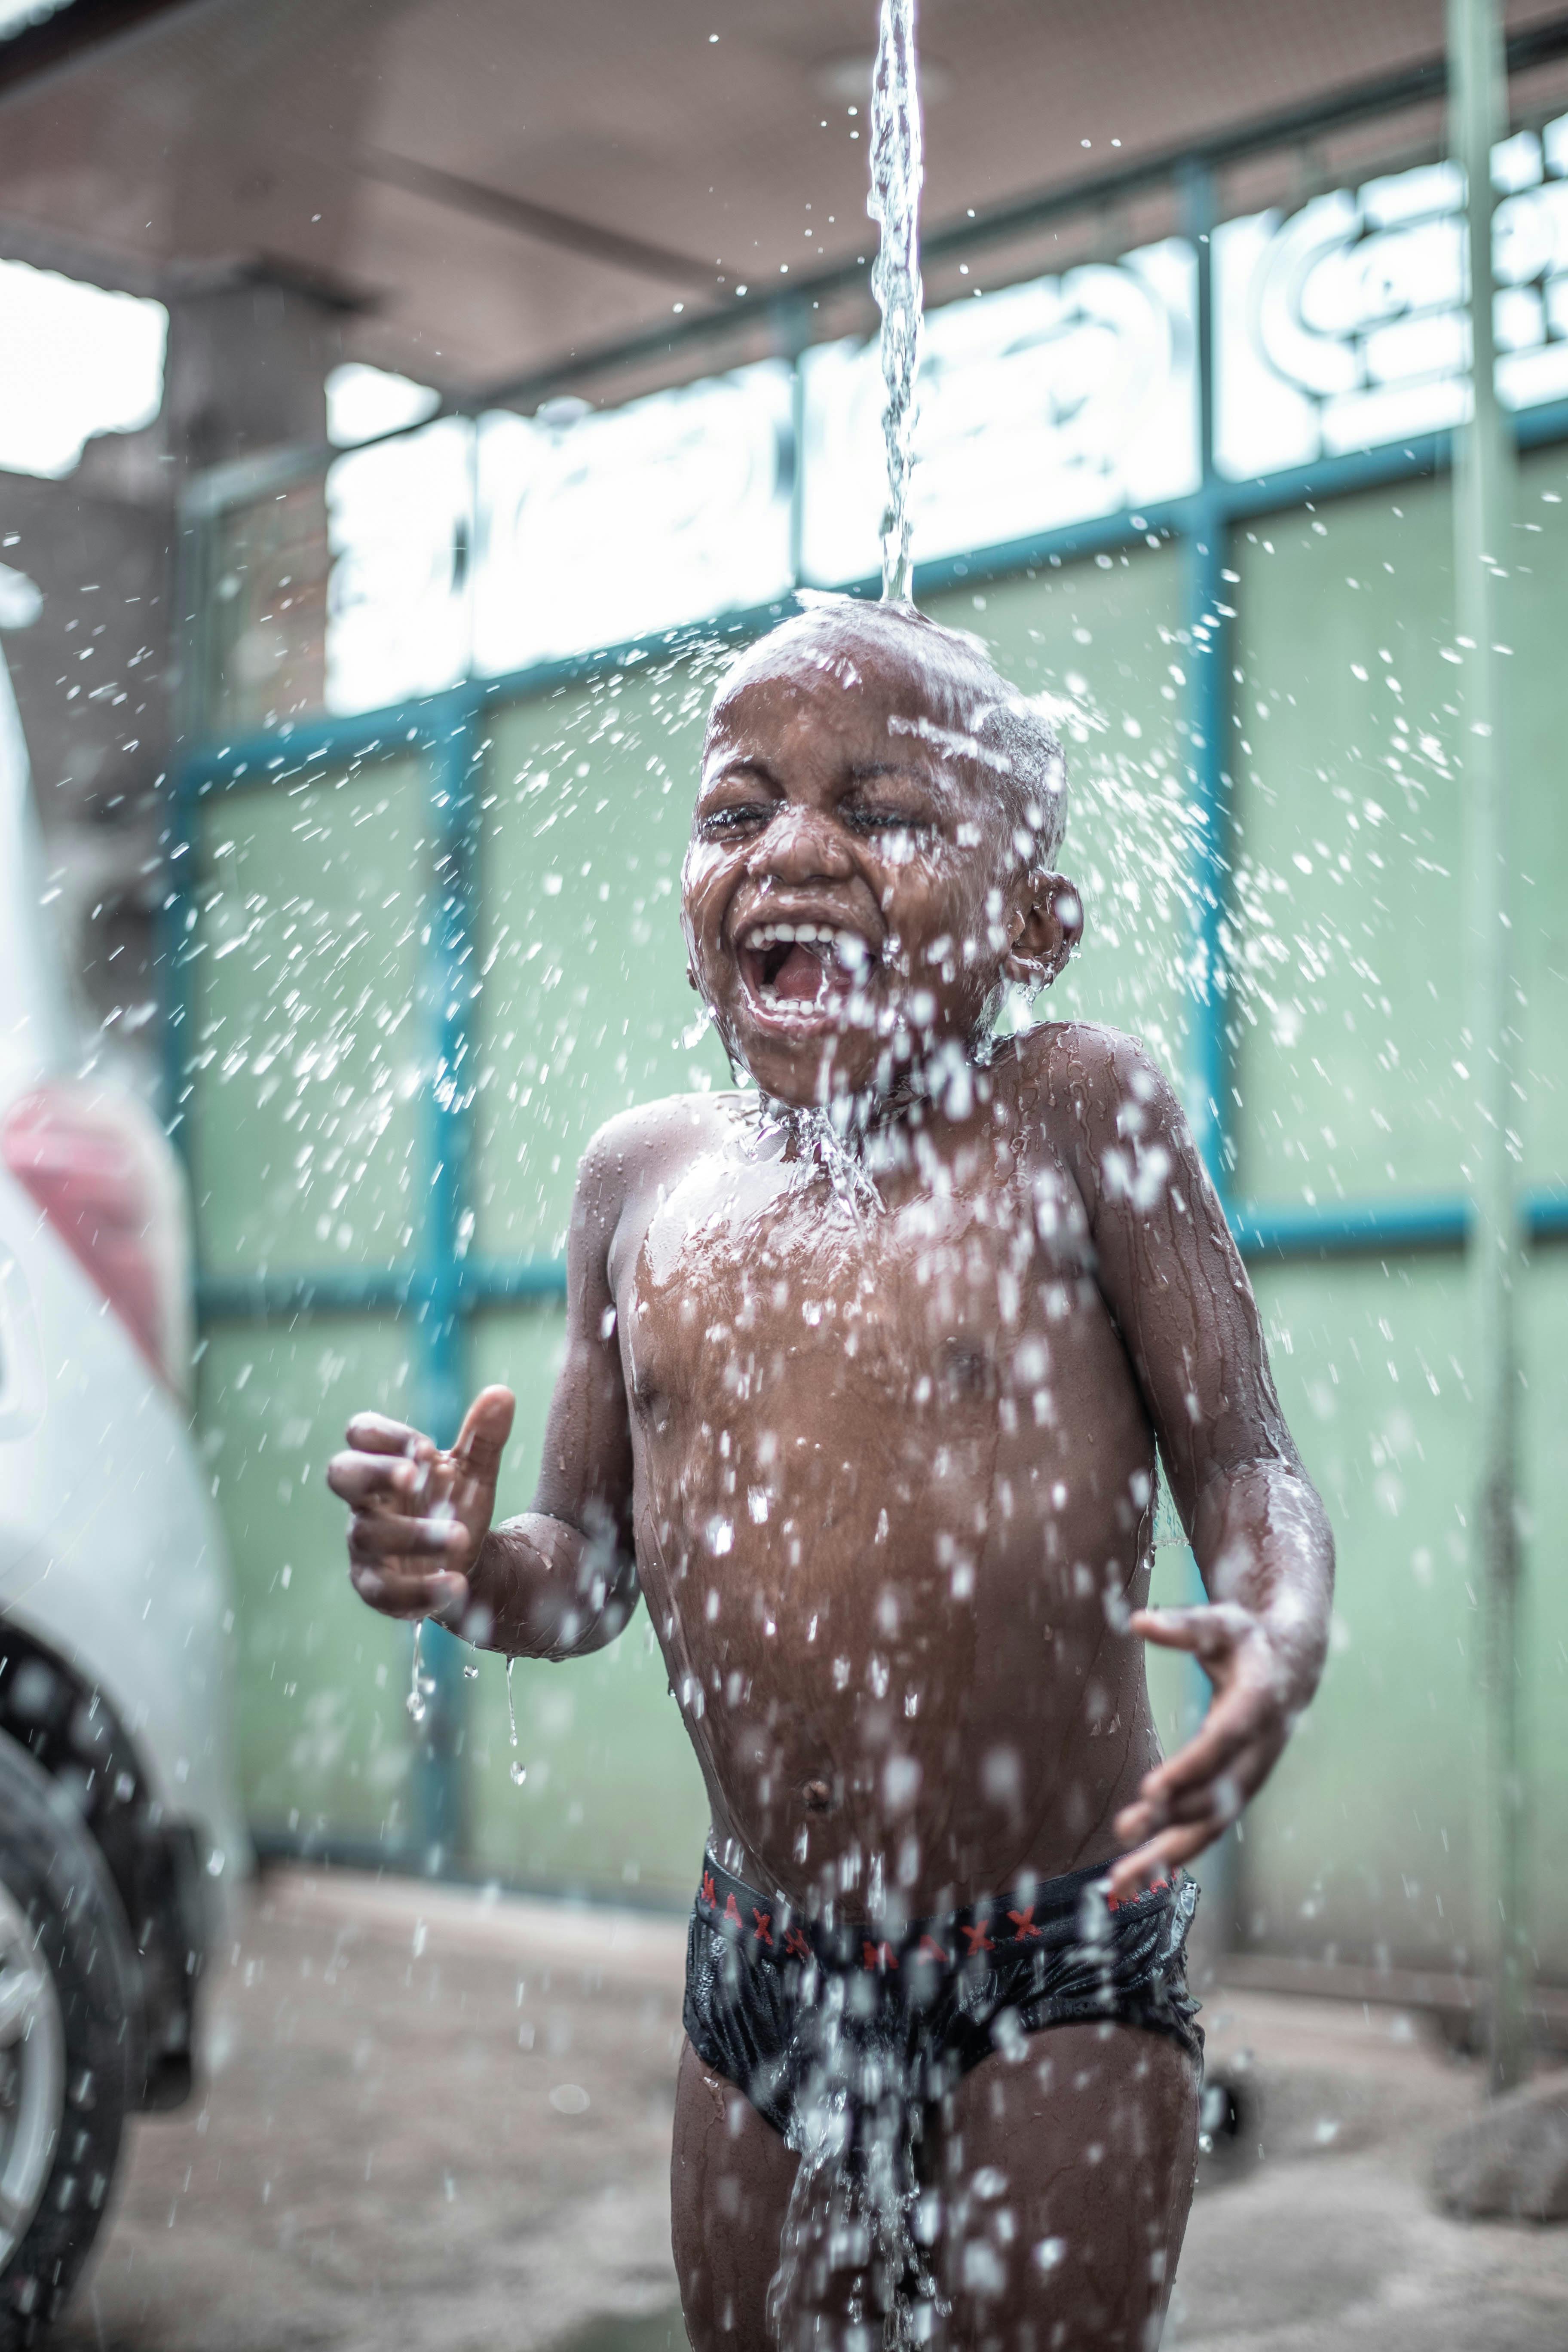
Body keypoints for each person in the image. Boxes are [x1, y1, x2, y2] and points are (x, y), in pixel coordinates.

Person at [328, 596, 1333, 2352]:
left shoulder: (1081, 1116)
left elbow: (1246, 1458)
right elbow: (585, 1571)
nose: (795, 848)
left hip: (1055, 1952)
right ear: (693, 910)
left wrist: (1280, 1619)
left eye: (880, 812)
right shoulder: (638, 1183)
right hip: (762, 1956)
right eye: (740, 812)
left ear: (1033, 920)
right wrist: (477, 1568)